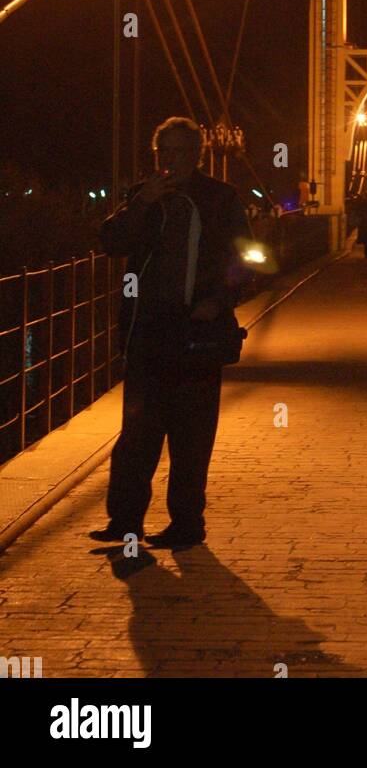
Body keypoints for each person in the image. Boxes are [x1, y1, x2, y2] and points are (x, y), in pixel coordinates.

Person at [91, 116, 250, 550]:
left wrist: (218, 301)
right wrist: (141, 203)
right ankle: (124, 523)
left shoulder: (221, 199)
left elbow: (249, 257)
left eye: (180, 152)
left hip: (197, 333)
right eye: (164, 152)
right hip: (147, 330)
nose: (171, 161)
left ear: (197, 155)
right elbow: (111, 241)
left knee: (191, 435)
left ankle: (186, 524)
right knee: (136, 433)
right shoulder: (143, 197)